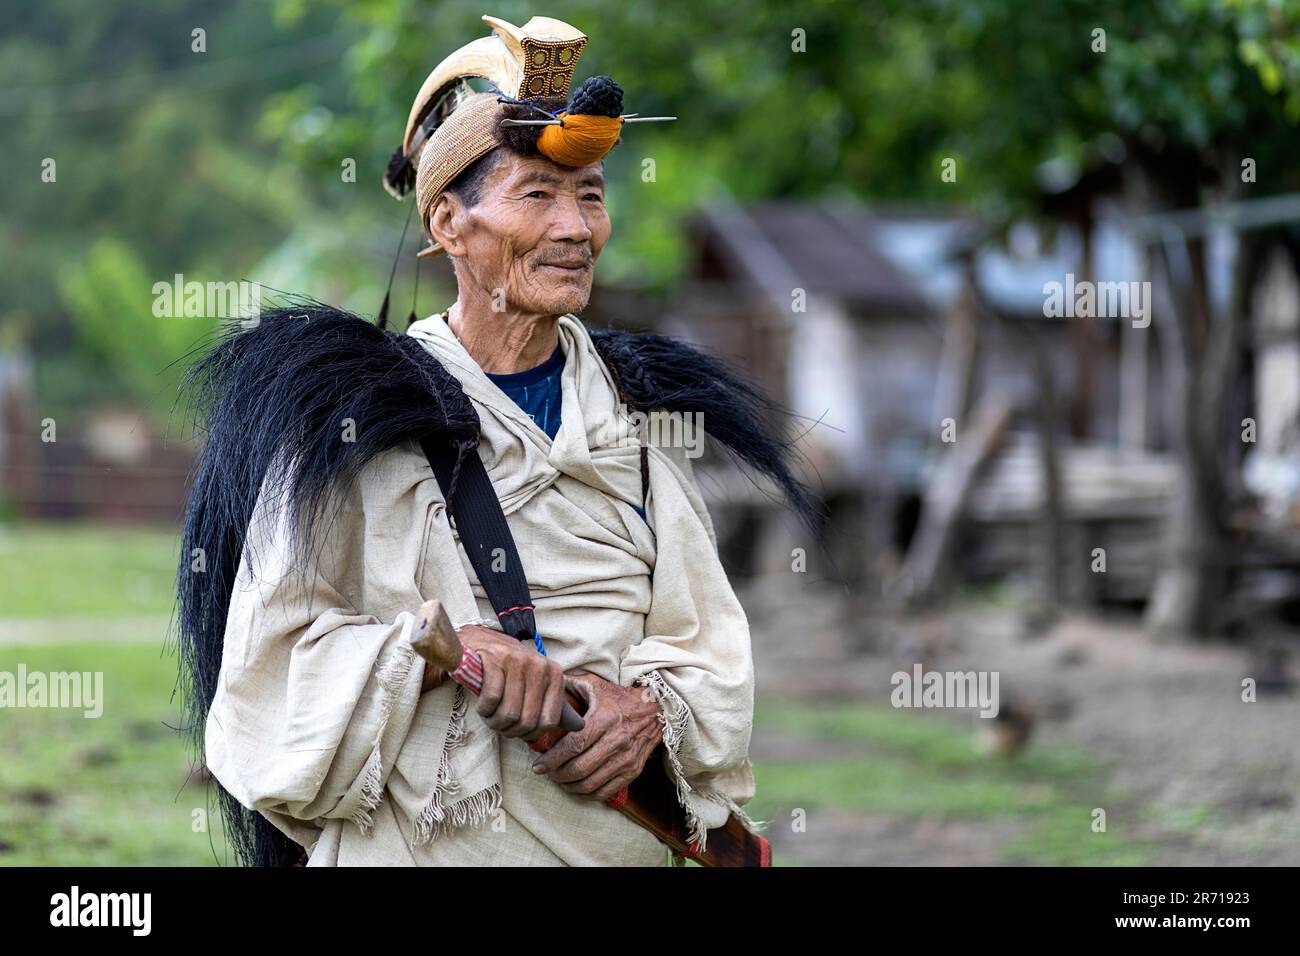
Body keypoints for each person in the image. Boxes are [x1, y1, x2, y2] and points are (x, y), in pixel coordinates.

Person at [178, 13, 817, 867]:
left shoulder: (635, 416)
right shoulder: (355, 421)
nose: (575, 228)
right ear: (449, 224)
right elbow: (271, 665)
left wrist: (648, 713)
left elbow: (708, 645)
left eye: (590, 194)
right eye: (537, 194)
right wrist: (442, 652)